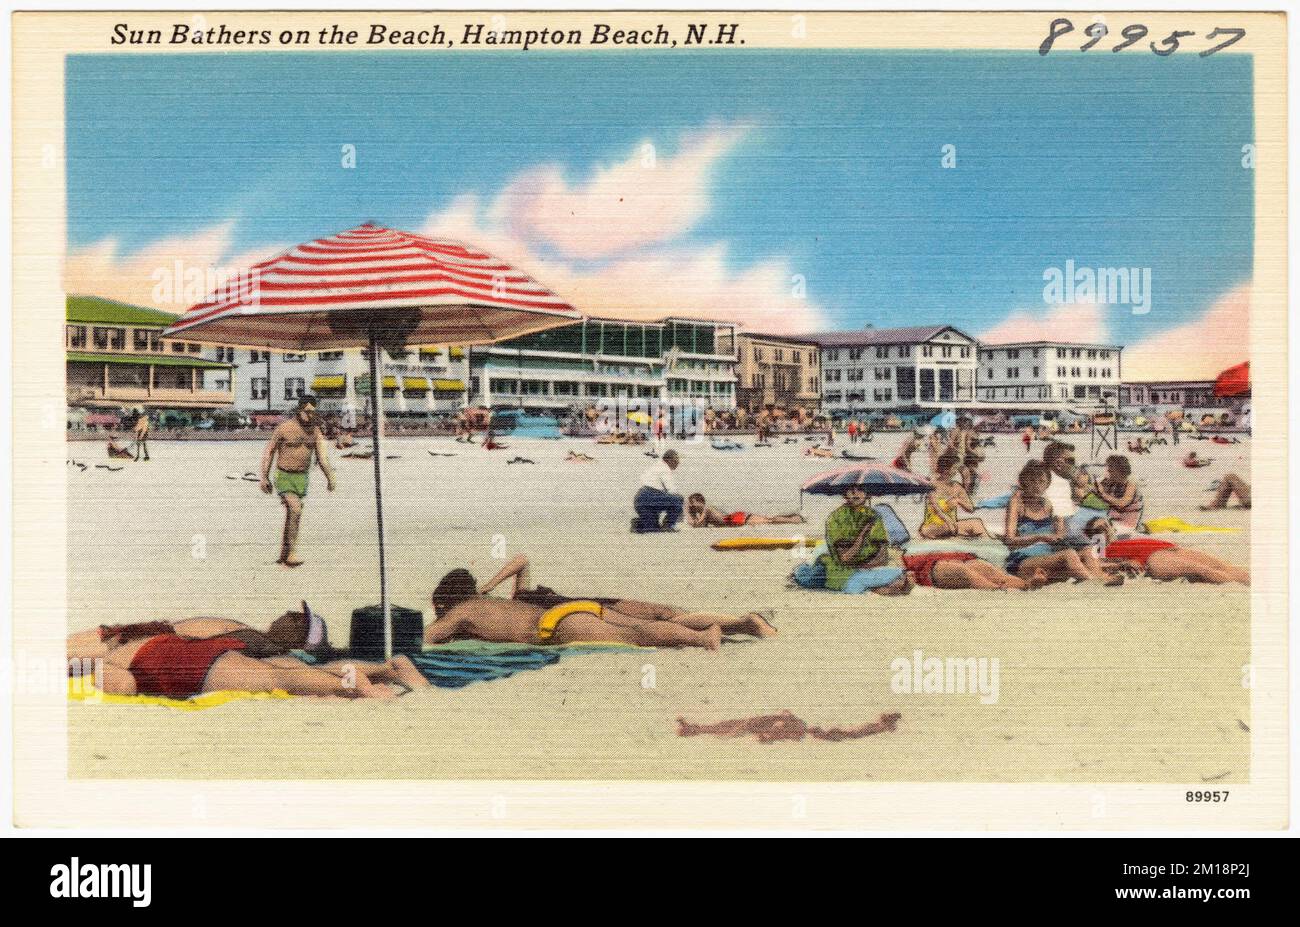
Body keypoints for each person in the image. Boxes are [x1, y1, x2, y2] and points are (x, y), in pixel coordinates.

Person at [425, 555, 776, 650]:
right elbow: (522, 560)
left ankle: (703, 638)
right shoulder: (499, 603)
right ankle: (741, 625)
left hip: (555, 625)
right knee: (659, 619)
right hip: (573, 609)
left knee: (636, 636)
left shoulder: (462, 612)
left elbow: (427, 637)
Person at [66, 616, 430, 700]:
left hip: (178, 664)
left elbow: (125, 685)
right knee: (277, 672)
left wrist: (95, 678)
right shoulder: (135, 632)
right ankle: (386, 669)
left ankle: (360, 687)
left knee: (276, 679)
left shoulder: (99, 656)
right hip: (198, 647)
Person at [1004, 461, 1121, 586]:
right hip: (1023, 561)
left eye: (1041, 481)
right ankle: (1095, 583)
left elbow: (1059, 535)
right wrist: (1040, 537)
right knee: (1069, 555)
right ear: (1025, 481)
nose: (1037, 486)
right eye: (1032, 480)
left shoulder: (1047, 504)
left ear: (1047, 484)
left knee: (1087, 551)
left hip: (1050, 557)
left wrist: (1059, 531)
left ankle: (1100, 578)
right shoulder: (1017, 502)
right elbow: (1009, 540)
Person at [259, 395, 336, 567]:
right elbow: (269, 452)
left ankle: (284, 554)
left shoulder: (315, 432)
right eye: (307, 412)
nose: (310, 415)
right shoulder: (284, 428)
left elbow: (323, 457)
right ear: (299, 410)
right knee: (295, 509)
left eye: (313, 412)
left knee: (293, 514)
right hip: (284, 475)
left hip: (302, 478)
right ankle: (291, 554)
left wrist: (330, 477)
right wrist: (264, 476)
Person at [819, 487, 912, 595]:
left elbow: (882, 556)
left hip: (868, 570)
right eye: (851, 489)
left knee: (899, 574)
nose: (855, 492)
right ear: (844, 494)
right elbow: (844, 558)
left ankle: (882, 587)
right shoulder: (836, 517)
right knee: (858, 583)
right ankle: (879, 589)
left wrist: (867, 565)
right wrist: (862, 534)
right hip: (844, 574)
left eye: (861, 488)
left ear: (868, 493)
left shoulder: (874, 515)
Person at [1104, 538, 1249, 585]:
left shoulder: (1114, 534)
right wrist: (1122, 564)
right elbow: (1096, 565)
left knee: (1222, 566)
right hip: (1152, 558)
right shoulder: (1095, 547)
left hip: (1169, 548)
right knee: (1204, 570)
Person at [919, 452, 988, 539]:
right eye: (954, 468)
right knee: (931, 529)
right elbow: (936, 508)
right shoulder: (933, 484)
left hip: (952, 526)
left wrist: (959, 501)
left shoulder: (957, 486)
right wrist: (949, 522)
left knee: (977, 523)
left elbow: (970, 508)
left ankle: (992, 549)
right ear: (946, 468)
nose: (956, 471)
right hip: (933, 526)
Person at [902, 550, 1041, 590]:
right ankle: (996, 590)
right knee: (961, 571)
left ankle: (1027, 585)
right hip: (923, 569)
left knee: (985, 568)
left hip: (945, 558)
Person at [633, 449, 683, 532]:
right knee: (679, 499)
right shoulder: (665, 468)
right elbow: (672, 491)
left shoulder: (655, 466)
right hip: (649, 496)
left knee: (654, 528)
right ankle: (668, 525)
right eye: (676, 460)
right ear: (668, 460)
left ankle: (638, 524)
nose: (678, 463)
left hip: (639, 499)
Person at [686, 493, 806, 528]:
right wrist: (692, 513)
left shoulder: (707, 509)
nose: (692, 505)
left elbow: (698, 525)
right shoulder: (705, 512)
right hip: (734, 518)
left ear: (700, 501)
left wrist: (688, 512)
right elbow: (702, 525)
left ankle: (796, 519)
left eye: (693, 502)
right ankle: (794, 517)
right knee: (768, 520)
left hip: (735, 519)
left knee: (768, 521)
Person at [1095, 454, 1144, 533]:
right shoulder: (1113, 484)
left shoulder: (1131, 485)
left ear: (1119, 471)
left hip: (1127, 526)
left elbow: (1122, 503)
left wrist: (1103, 493)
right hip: (1113, 524)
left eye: (1111, 469)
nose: (1108, 472)